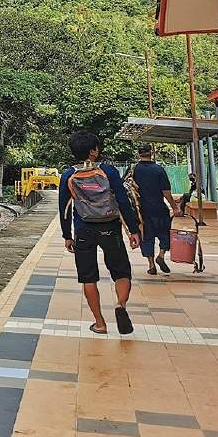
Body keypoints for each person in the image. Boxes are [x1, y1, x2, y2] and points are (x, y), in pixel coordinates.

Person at [59, 130, 141, 335]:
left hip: (83, 230)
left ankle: (100, 323)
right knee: (121, 272)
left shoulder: (68, 175)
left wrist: (67, 236)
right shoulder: (109, 172)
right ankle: (120, 305)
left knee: (88, 277)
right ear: (94, 151)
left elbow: (64, 208)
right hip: (110, 227)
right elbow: (123, 201)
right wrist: (133, 230)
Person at [129, 143, 178, 275]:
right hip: (160, 209)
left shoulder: (135, 170)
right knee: (164, 234)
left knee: (146, 237)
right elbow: (166, 191)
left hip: (143, 211)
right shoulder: (159, 169)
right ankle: (161, 255)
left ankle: (151, 265)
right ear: (151, 153)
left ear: (139, 154)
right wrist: (175, 207)